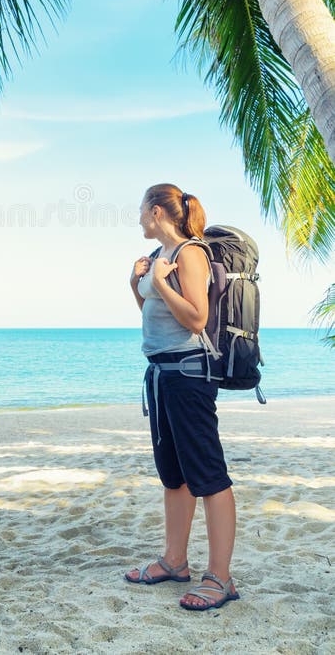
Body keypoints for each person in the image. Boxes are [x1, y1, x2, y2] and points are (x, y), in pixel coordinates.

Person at [124, 183, 240, 611]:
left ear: (157, 212)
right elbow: (155, 316)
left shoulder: (189, 253)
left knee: (208, 475)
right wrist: (136, 284)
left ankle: (221, 578)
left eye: (140, 211)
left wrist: (160, 283)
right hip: (161, 373)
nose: (137, 218)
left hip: (189, 375)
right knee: (174, 475)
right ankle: (174, 562)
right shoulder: (158, 258)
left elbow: (196, 318)